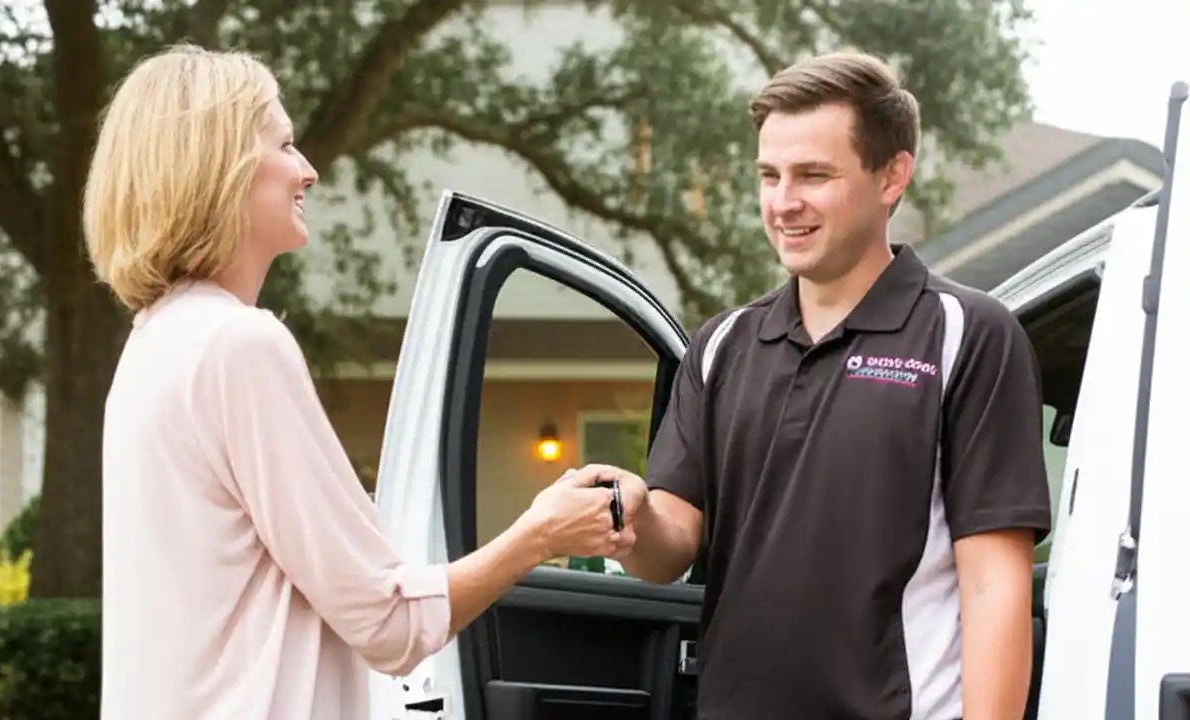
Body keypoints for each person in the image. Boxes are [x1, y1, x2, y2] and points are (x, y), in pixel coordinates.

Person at [84, 45, 631, 719]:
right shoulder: (240, 346)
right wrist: (539, 535)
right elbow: (390, 625)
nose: (307, 170)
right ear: (219, 169)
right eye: (284, 144)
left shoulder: (154, 342)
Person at [580, 50, 1053, 719]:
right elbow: (670, 550)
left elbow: (992, 588)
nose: (783, 202)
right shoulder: (721, 347)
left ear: (893, 176)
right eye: (768, 176)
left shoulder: (968, 334)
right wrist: (629, 516)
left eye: (813, 175)